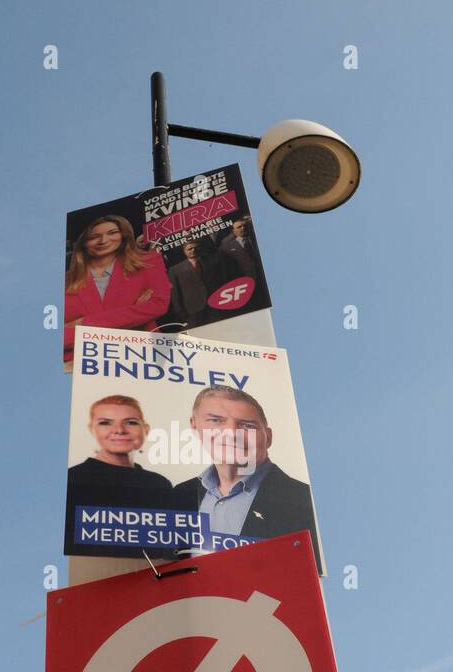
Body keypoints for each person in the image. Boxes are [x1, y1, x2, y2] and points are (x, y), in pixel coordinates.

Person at [171, 385, 322, 569]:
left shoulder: (302, 499)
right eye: (216, 421)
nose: (232, 434)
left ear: (268, 437)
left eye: (247, 426)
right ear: (195, 425)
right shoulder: (180, 495)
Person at [65, 395, 175, 556]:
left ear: (146, 429)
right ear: (91, 429)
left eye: (131, 422)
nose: (119, 430)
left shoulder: (159, 484)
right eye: (105, 423)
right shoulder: (73, 479)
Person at [64, 216, 170, 363]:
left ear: (123, 235)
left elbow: (158, 305)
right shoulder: (64, 281)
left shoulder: (149, 261)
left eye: (112, 233)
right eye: (94, 236)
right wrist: (133, 312)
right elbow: (56, 338)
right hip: (82, 361)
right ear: (82, 242)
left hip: (144, 354)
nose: (103, 241)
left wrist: (82, 323)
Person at [167, 238, 226, 330]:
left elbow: (220, 282)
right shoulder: (175, 270)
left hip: (215, 307)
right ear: (184, 251)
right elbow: (175, 294)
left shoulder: (211, 262)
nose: (193, 250)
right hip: (192, 312)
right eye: (189, 249)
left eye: (195, 248)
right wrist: (182, 314)